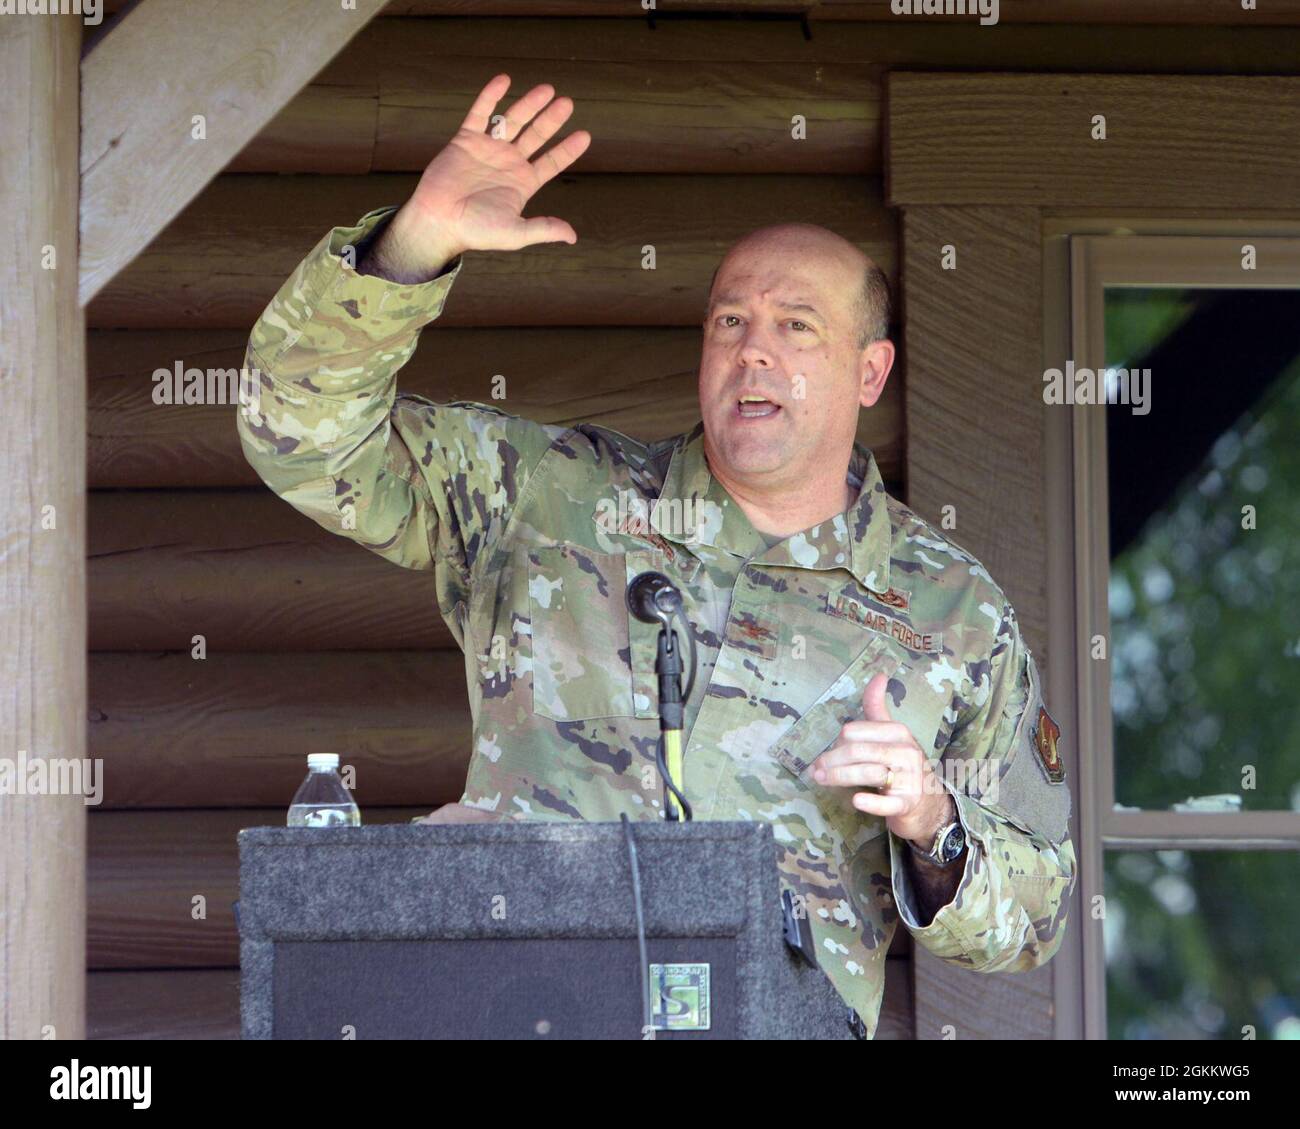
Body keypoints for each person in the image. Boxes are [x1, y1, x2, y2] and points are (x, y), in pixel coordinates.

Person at [237, 73, 1075, 1039]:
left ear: (870, 370)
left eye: (795, 326)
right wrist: (413, 244)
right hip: (514, 1008)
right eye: (729, 321)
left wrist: (933, 822)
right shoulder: (549, 495)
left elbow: (1041, 909)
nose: (752, 351)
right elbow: (293, 429)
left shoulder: (955, 614)